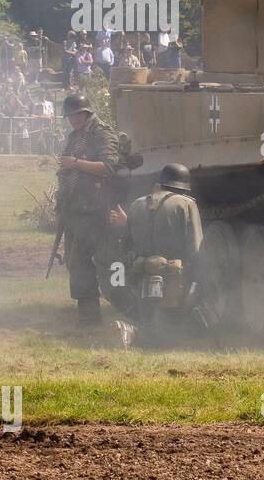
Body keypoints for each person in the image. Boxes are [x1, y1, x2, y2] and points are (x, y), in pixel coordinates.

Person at [108, 163, 206, 347]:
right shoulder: (186, 204)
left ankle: (138, 332)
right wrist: (197, 282)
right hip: (174, 279)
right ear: (183, 187)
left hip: (141, 277)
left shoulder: (137, 204)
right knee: (173, 329)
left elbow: (127, 246)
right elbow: (196, 247)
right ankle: (152, 335)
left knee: (149, 320)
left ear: (160, 184)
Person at [56, 94, 119, 327]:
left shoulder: (101, 133)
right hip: (75, 207)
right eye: (69, 116)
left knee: (84, 260)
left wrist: (75, 163)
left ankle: (91, 316)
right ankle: (87, 312)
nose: (71, 120)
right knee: (76, 261)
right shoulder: (76, 136)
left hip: (94, 208)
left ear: (85, 113)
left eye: (74, 115)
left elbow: (109, 166)